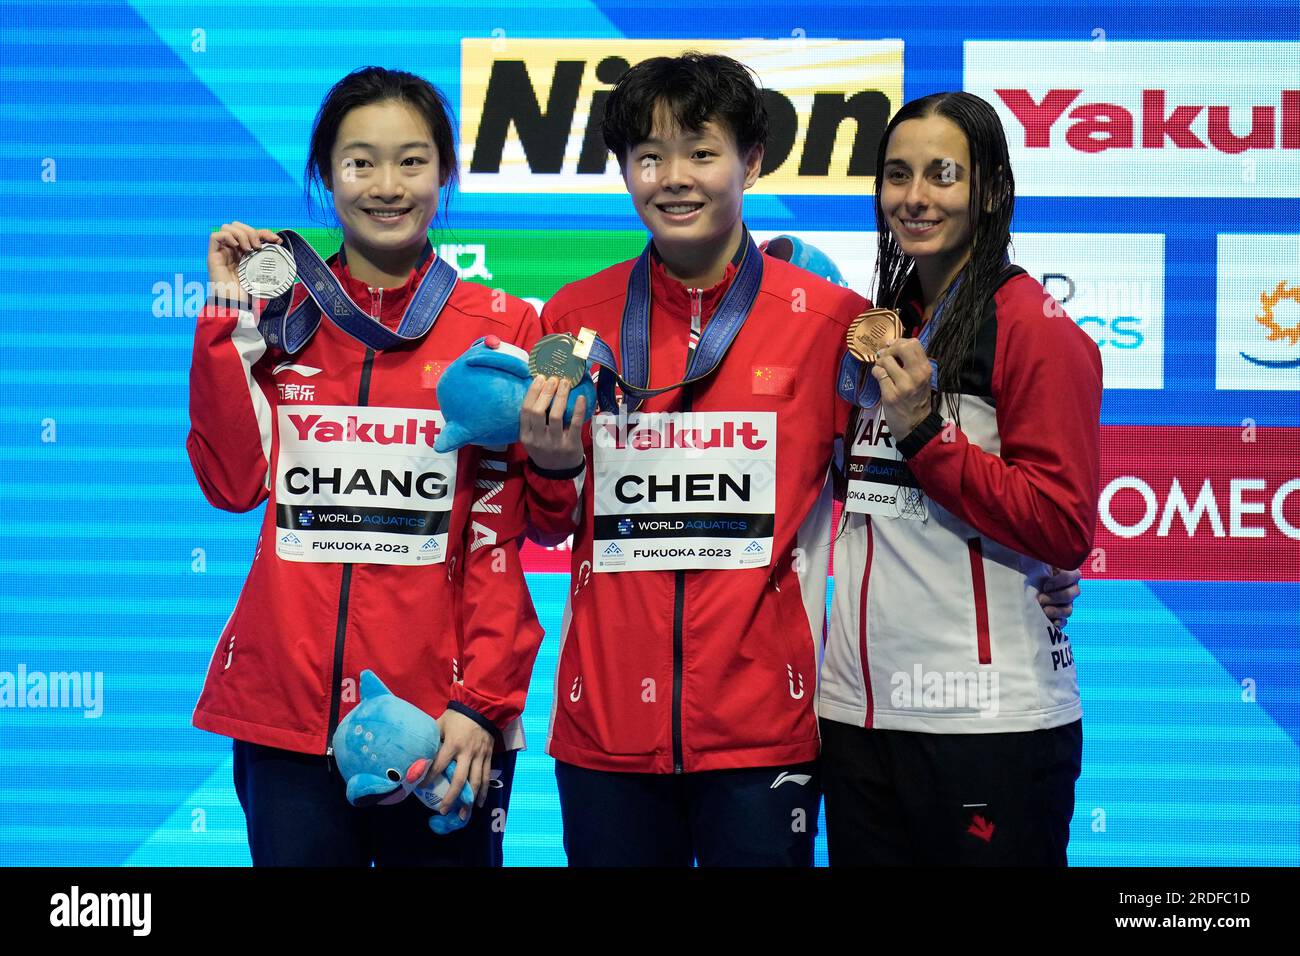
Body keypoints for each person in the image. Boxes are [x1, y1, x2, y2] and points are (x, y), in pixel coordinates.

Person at [519, 53, 1079, 866]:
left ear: (752, 161)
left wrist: (1044, 565)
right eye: (648, 157)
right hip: (603, 728)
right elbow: (547, 520)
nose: (673, 178)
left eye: (702, 153)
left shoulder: (835, 322)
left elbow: (887, 488)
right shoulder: (574, 316)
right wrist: (551, 467)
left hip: (765, 732)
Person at [187, 66, 544, 866]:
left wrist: (482, 704)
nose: (387, 186)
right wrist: (226, 313)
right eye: (360, 162)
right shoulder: (281, 318)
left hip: (440, 720)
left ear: (446, 171)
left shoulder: (499, 330)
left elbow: (496, 538)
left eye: (412, 161)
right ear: (324, 175)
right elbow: (233, 484)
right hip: (287, 712)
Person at [817, 91, 1102, 865]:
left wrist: (924, 435)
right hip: (857, 713)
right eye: (896, 175)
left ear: (991, 190)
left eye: (942, 174)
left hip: (989, 725)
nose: (914, 197)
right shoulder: (883, 325)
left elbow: (1063, 524)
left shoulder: (1035, 329)